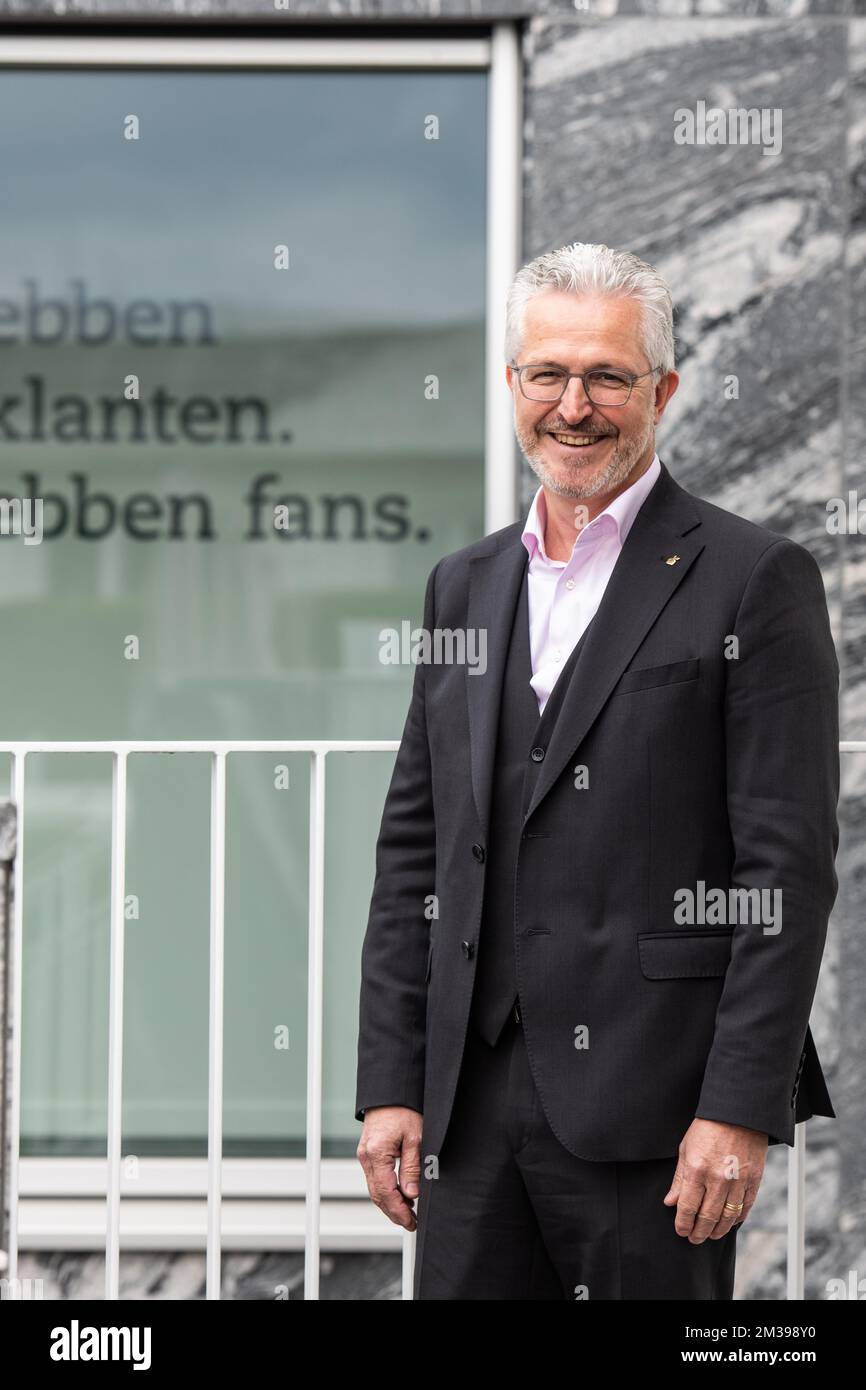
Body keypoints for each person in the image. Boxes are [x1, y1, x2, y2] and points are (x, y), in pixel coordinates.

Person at [355, 242, 838, 1300]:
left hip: (655, 1118)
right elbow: (413, 851)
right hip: (466, 1116)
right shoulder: (461, 586)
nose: (573, 407)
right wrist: (391, 1083)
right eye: (548, 375)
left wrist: (737, 1105)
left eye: (607, 377)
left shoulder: (756, 580)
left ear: (660, 389)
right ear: (512, 385)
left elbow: (782, 870)